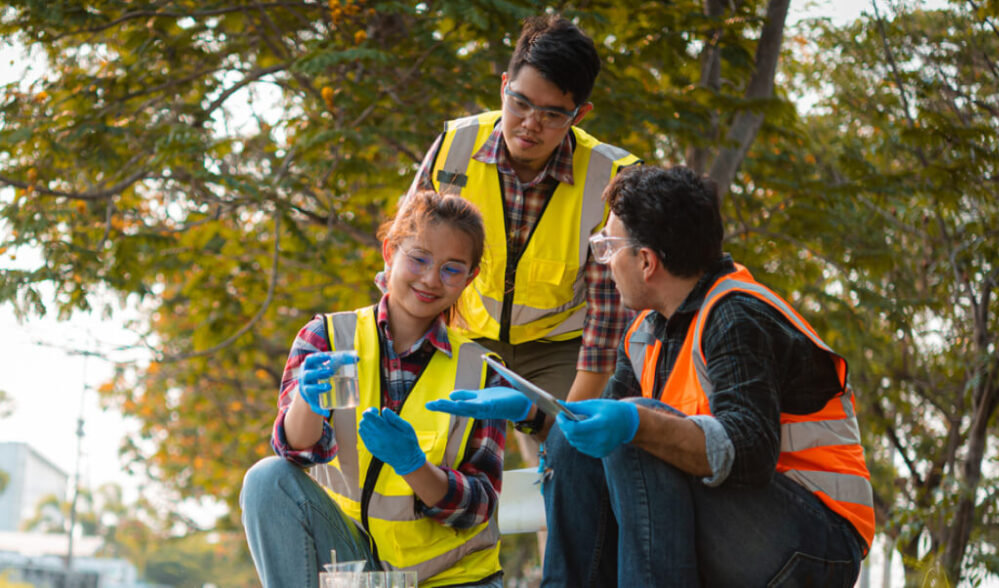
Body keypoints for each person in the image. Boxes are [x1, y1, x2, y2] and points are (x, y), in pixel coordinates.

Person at [429, 166, 875, 586]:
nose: (604, 263)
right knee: (580, 435)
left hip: (813, 541)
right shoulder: (644, 334)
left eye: (608, 248)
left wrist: (636, 424)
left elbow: (750, 452)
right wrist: (535, 413)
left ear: (646, 262)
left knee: (634, 423)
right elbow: (592, 441)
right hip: (741, 528)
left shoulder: (736, 315)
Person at [240, 191, 508, 588]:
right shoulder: (328, 338)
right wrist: (307, 404)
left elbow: (477, 508)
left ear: (468, 278)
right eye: (419, 259)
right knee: (267, 478)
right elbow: (295, 453)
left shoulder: (482, 373)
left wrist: (413, 464)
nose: (431, 279)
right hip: (355, 574)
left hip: (452, 579)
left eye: (452, 269)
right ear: (389, 251)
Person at [408, 14, 641, 466]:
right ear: (503, 86)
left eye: (553, 114)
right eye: (520, 103)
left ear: (580, 114)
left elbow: (608, 323)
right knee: (431, 450)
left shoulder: (610, 178)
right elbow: (408, 259)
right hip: (467, 341)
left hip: (562, 350)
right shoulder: (453, 147)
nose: (530, 124)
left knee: (578, 459)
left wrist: (569, 432)